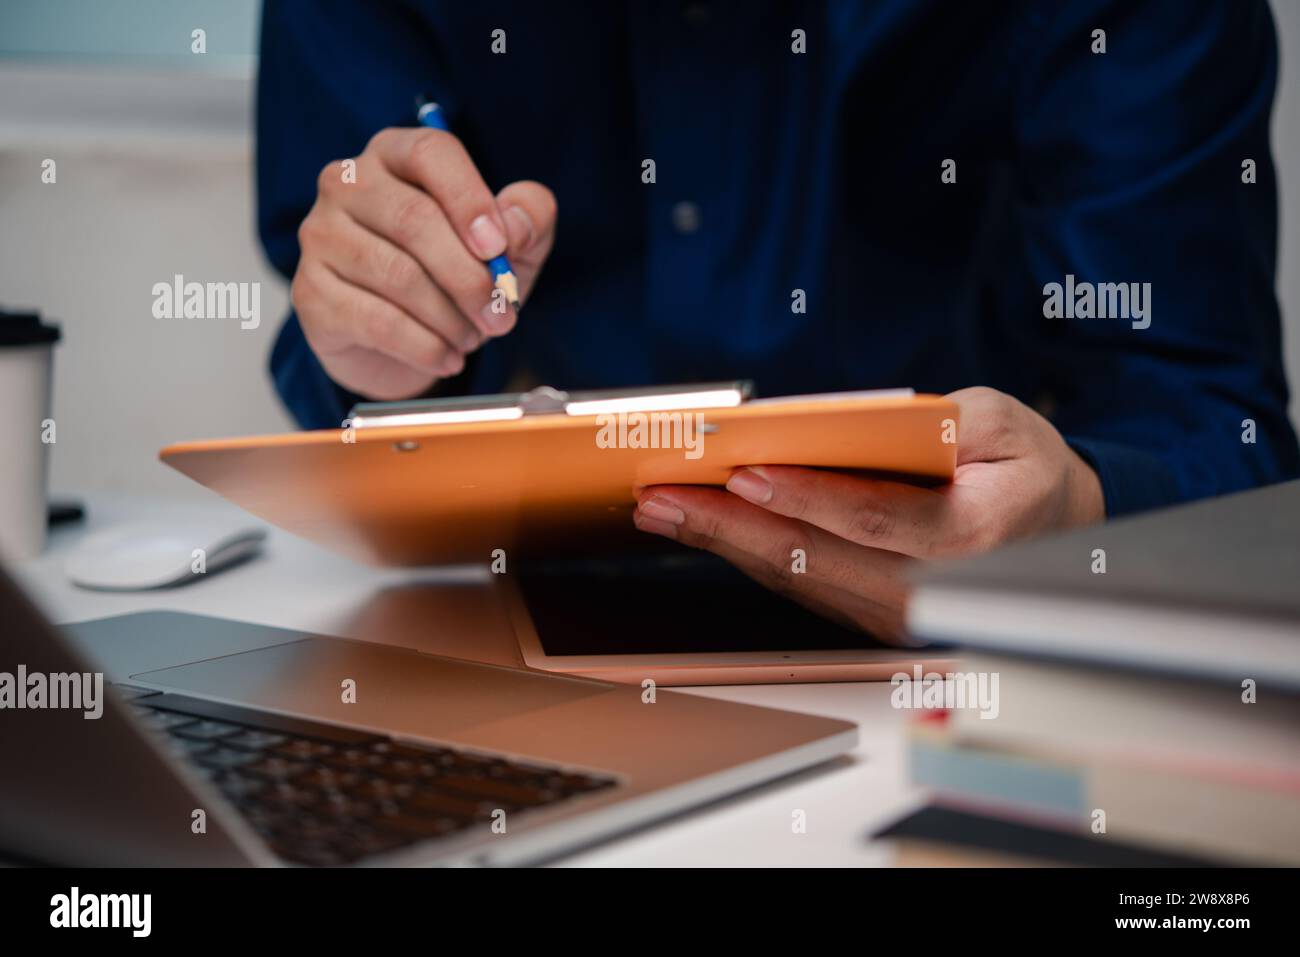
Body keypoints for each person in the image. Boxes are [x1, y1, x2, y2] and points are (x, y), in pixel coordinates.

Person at [256, 1, 1299, 641]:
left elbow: (1217, 428)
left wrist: (1073, 510)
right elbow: (349, 319)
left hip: (968, 695)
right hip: (470, 644)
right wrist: (378, 348)